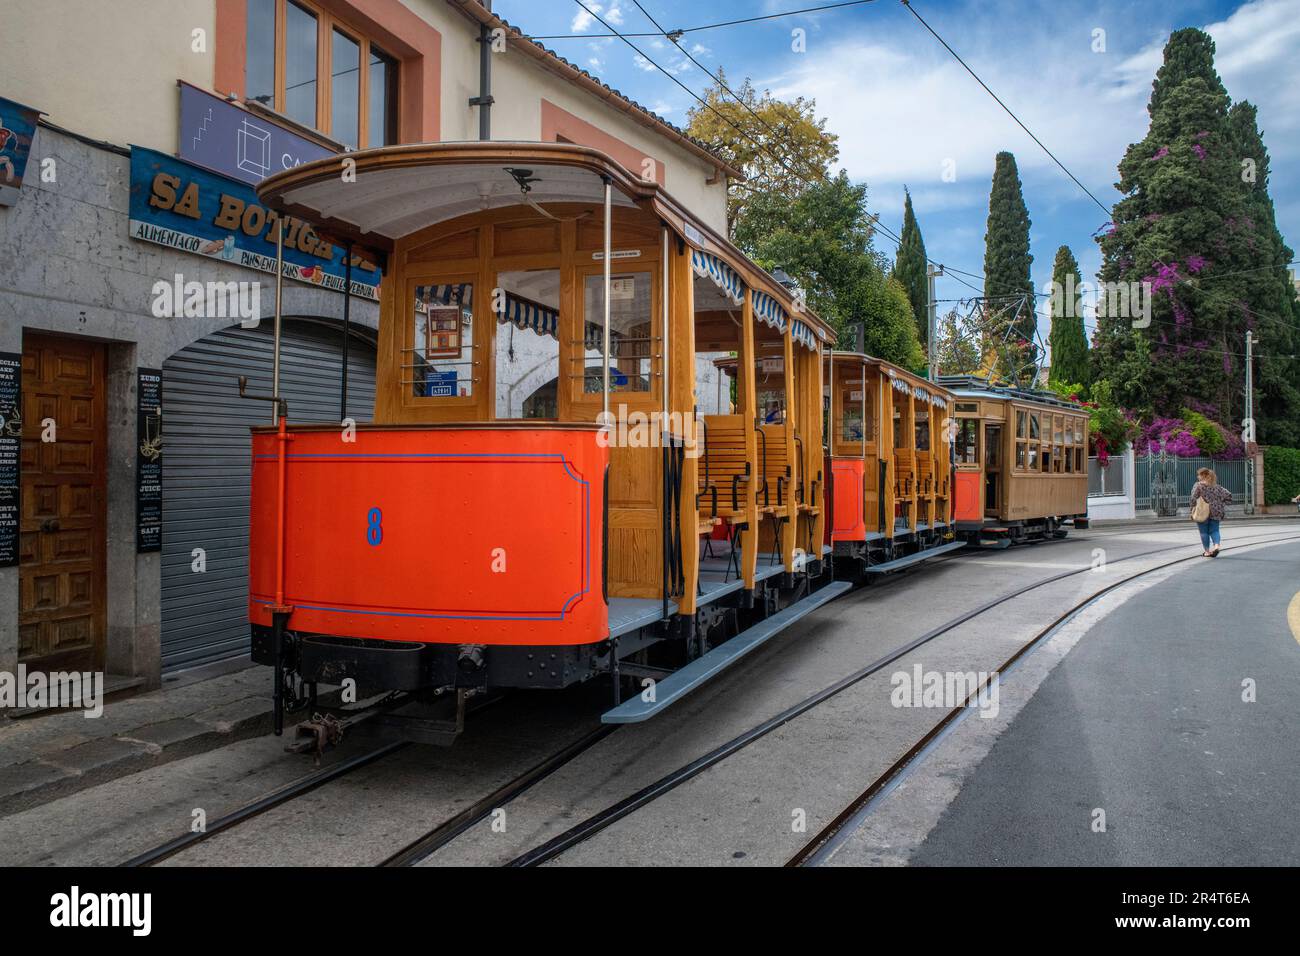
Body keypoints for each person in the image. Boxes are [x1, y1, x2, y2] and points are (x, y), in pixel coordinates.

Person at [1189, 467, 1231, 557]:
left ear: (1203, 476)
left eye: (1199, 475)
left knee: (1204, 532)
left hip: (1202, 511)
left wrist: (1192, 509)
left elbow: (1193, 498)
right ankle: (1216, 547)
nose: (1197, 476)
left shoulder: (1198, 486)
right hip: (1216, 511)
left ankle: (1207, 552)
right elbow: (1229, 496)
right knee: (1215, 530)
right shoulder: (1217, 487)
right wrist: (1222, 503)